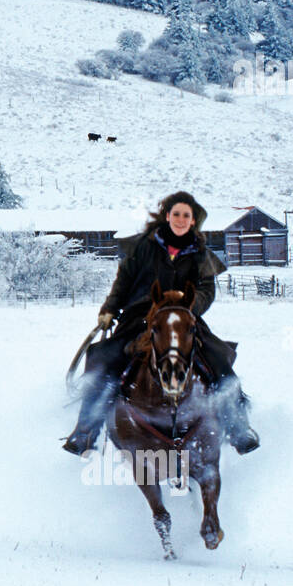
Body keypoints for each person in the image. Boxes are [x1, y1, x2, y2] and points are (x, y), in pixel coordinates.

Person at [63, 191, 259, 456]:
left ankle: (238, 428)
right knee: (104, 357)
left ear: (193, 221)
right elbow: (123, 283)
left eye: (186, 215)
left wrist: (188, 305)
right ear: (167, 217)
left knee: (218, 358)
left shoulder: (201, 254)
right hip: (140, 317)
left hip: (183, 318)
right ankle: (85, 431)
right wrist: (110, 308)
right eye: (176, 214)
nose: (180, 219)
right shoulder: (142, 247)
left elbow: (206, 291)